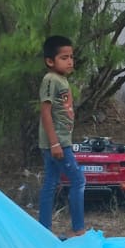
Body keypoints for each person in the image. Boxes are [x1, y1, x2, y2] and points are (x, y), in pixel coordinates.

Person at [37, 35, 86, 237]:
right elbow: (46, 112)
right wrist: (55, 143)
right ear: (50, 61)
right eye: (64, 57)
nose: (70, 61)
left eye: (71, 57)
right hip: (57, 144)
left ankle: (44, 229)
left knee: (51, 181)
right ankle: (78, 229)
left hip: (60, 142)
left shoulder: (61, 80)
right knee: (78, 180)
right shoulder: (50, 80)